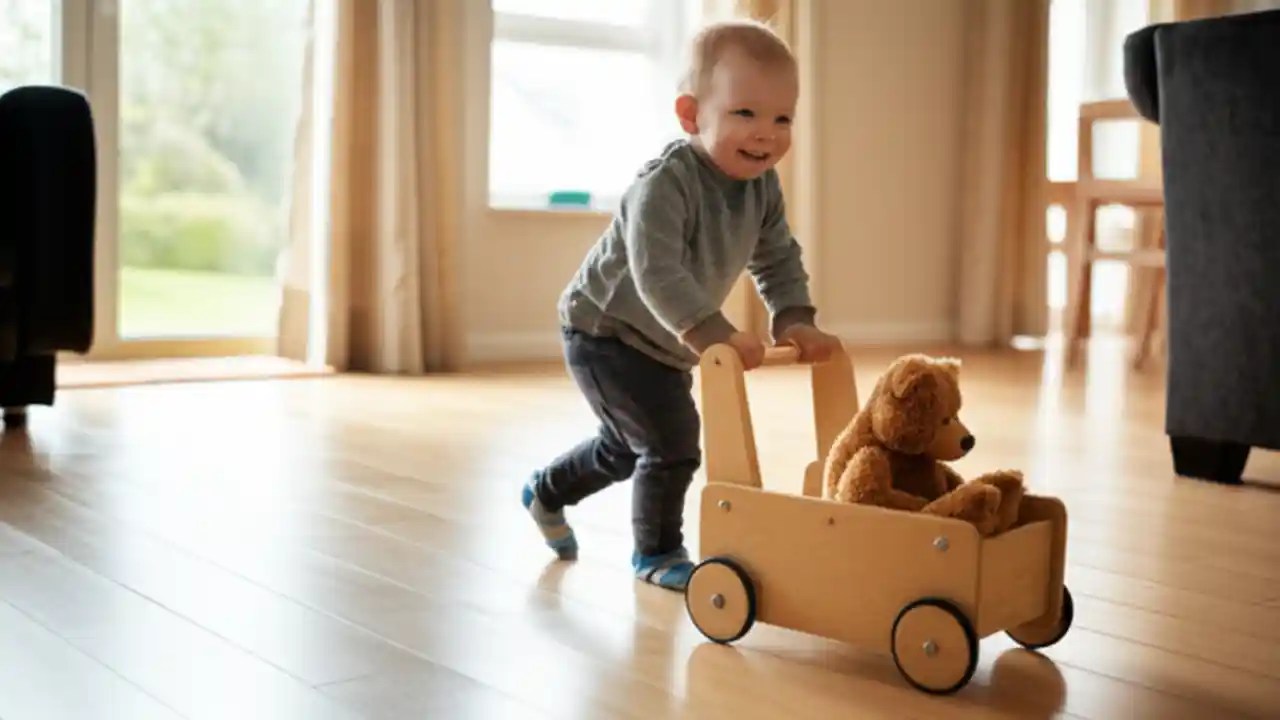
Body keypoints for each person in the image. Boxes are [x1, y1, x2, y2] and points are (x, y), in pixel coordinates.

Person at [521, 18, 842, 591]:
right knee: (670, 445)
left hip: (666, 341)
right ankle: (657, 553)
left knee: (623, 450)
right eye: (745, 113)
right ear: (692, 115)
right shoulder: (664, 186)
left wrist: (795, 317)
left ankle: (546, 489)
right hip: (605, 332)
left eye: (782, 117)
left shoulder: (761, 187)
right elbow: (656, 272)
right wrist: (713, 332)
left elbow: (777, 258)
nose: (765, 133)